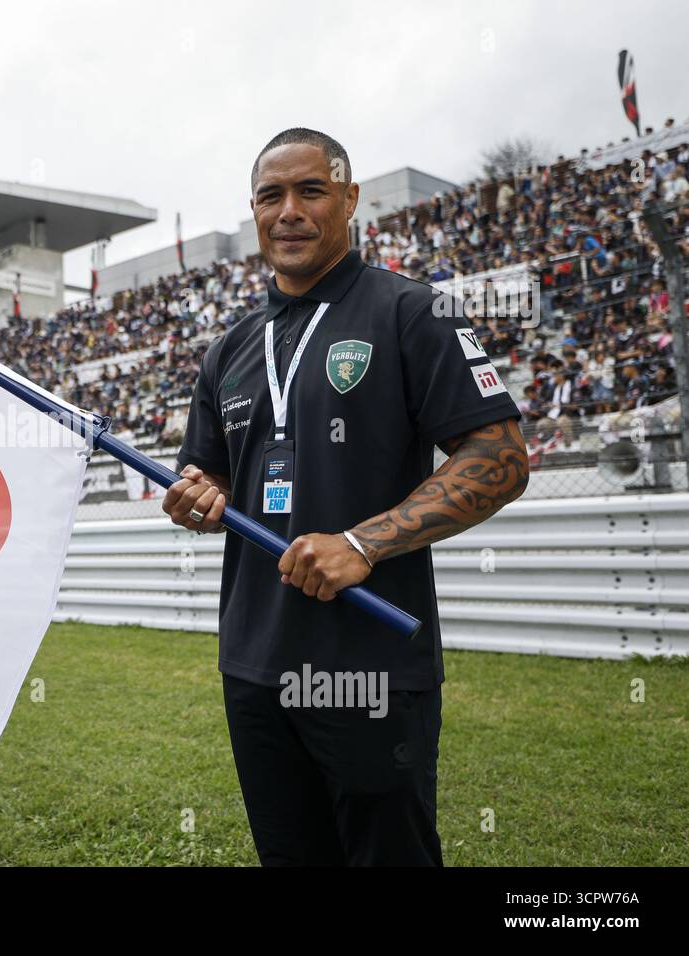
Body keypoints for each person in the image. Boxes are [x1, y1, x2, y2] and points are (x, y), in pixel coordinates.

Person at [162, 128, 529, 866]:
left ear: (351, 199)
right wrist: (196, 498)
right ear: (255, 212)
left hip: (372, 669)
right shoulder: (228, 349)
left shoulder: (413, 311)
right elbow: (209, 478)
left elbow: (501, 456)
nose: (289, 211)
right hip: (253, 668)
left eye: (311, 190)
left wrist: (363, 544)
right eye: (271, 196)